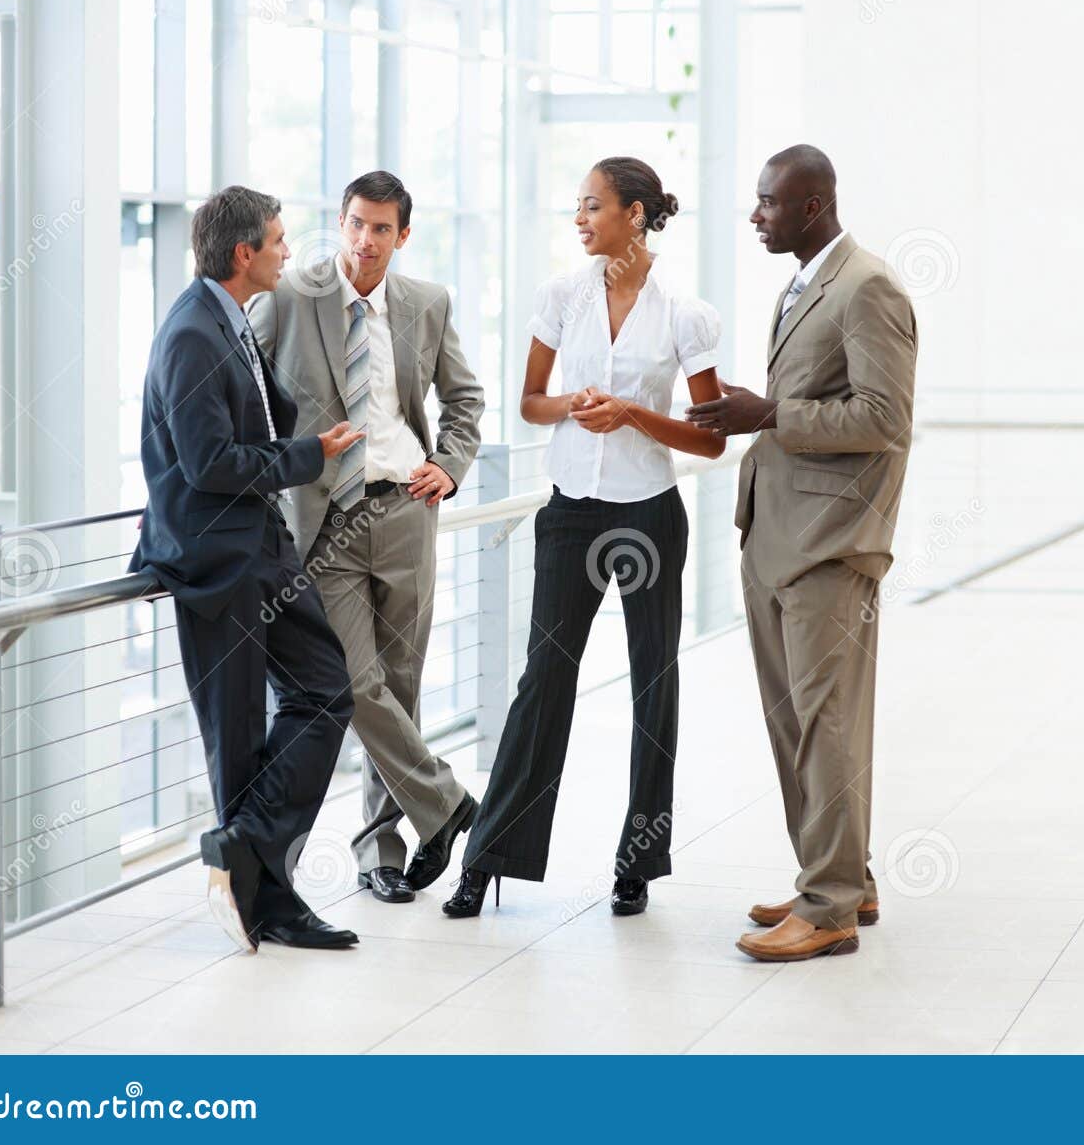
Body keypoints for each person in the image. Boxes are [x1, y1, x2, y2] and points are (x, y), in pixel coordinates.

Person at [442, 157, 724, 919]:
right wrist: (575, 402)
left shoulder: (684, 313)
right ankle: (488, 856)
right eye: (577, 206)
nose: (579, 218)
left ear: (634, 215)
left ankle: (638, 861)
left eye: (592, 205)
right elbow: (532, 403)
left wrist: (633, 414)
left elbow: (709, 440)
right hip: (571, 512)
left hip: (649, 514)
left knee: (652, 683)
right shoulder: (561, 297)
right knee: (544, 682)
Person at [687, 144, 918, 962]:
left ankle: (829, 910)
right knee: (796, 720)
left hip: (830, 543)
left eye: (769, 203)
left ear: (813, 204)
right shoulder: (806, 282)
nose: (756, 215)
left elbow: (884, 418)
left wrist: (770, 414)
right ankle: (841, 874)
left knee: (827, 723)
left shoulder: (869, 287)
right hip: (777, 534)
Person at [130, 185, 365, 953]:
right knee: (236, 735)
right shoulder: (193, 333)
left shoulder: (228, 318)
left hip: (260, 544)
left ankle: (246, 845)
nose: (288, 251)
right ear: (244, 254)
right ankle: (269, 900)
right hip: (217, 557)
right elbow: (207, 464)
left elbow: (251, 423)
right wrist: (311, 456)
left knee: (327, 688)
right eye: (278, 239)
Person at [249, 170, 486, 904]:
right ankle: (446, 802)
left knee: (402, 686)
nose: (364, 240)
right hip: (326, 518)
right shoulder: (294, 296)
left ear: (402, 234)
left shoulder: (426, 303)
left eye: (381, 228)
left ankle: (384, 849)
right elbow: (238, 377)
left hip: (407, 510)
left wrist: (448, 464)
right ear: (341, 221)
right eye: (355, 223)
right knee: (355, 682)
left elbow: (464, 397)